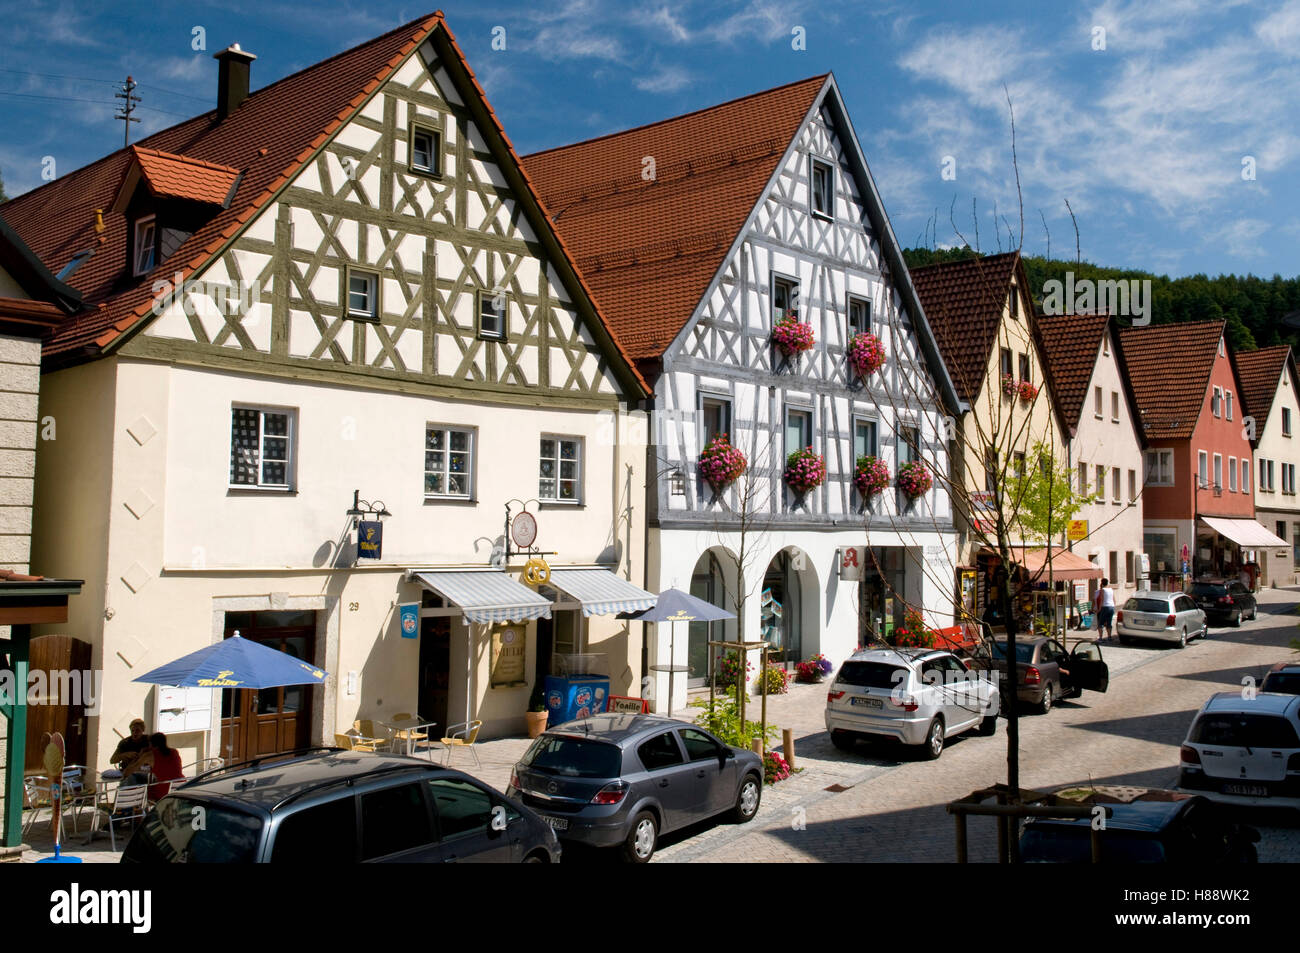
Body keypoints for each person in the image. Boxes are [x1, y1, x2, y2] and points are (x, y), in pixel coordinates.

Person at [125, 732, 185, 801]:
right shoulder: (174, 751)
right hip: (179, 788)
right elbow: (166, 769)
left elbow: (127, 772)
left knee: (138, 785)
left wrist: (140, 755)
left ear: (151, 744)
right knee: (150, 784)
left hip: (164, 792)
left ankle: (127, 805)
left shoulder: (150, 755)